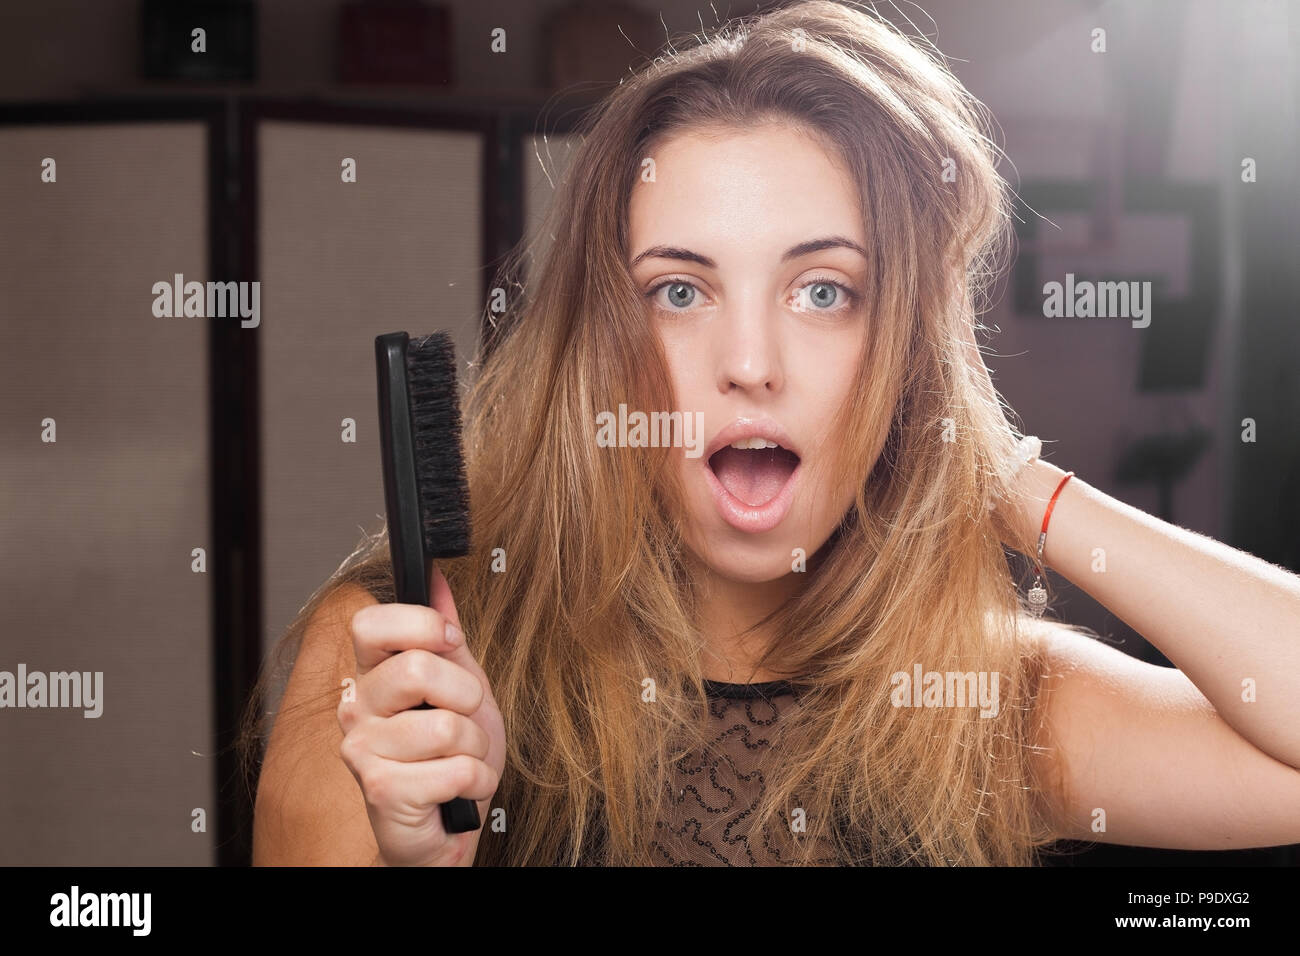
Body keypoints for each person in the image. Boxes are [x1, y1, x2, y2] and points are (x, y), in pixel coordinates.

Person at [242, 0, 1300, 866]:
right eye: (680, 291)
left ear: (904, 349)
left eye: (825, 290)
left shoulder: (978, 704)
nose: (750, 362)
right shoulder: (399, 664)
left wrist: (1003, 475)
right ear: (601, 343)